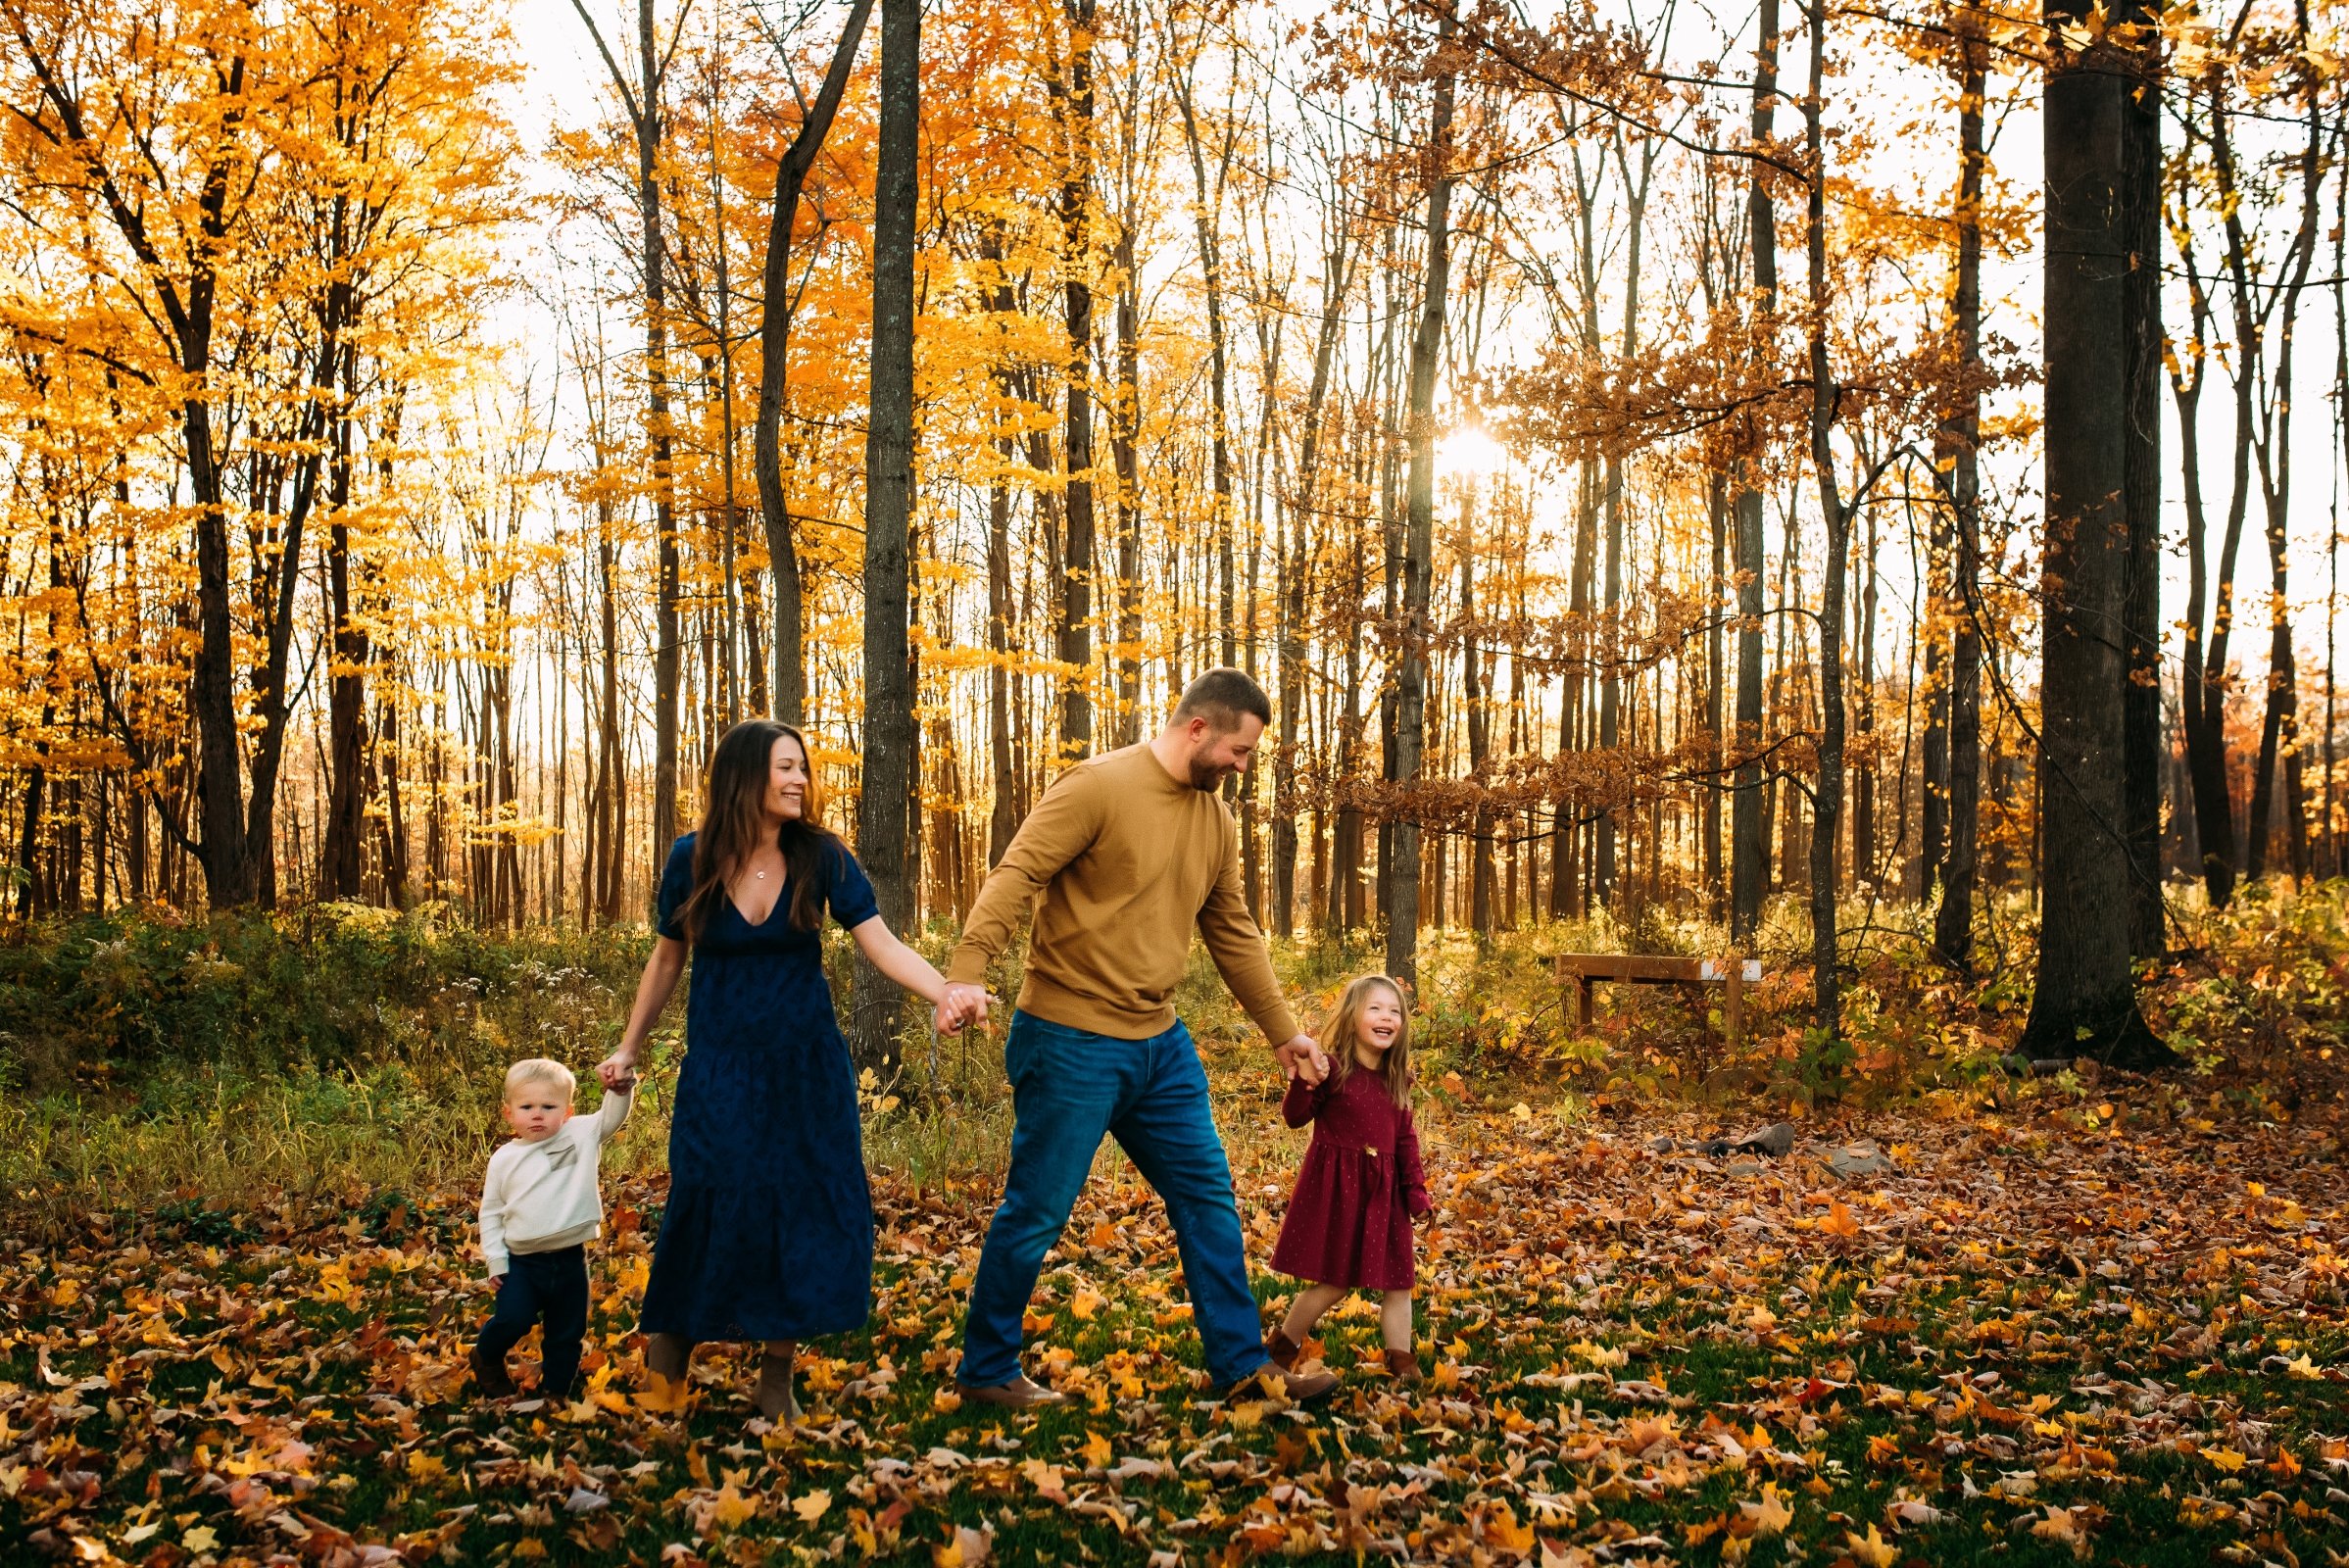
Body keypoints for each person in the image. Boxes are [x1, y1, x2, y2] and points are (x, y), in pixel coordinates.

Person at [938, 667, 1339, 1408]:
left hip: (1159, 1045)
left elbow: (1232, 931)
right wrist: (966, 972)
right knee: (1036, 1213)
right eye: (1240, 751)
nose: (1242, 768)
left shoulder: (1215, 822)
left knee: (1207, 1198)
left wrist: (1284, 1033)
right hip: (1068, 1038)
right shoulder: (1095, 786)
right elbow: (1017, 873)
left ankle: (1239, 1368)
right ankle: (986, 1370)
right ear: (1198, 729)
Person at [596, 719, 955, 1421]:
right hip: (721, 1070)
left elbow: (879, 944)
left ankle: (775, 1379)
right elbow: (668, 958)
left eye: (802, 768)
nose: (799, 780)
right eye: (784, 767)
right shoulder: (690, 857)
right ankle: (669, 1360)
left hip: (805, 1069)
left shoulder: (821, 855)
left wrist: (945, 990)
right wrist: (629, 1047)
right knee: (706, 1199)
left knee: (801, 1207)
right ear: (744, 774)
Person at [1261, 974, 1432, 1383]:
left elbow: (1406, 1142)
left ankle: (1401, 1360)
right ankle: (1282, 1345)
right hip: (1340, 1192)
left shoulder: (1397, 1080)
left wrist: (1417, 1193)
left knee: (1399, 1281)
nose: (1386, 1017)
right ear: (1353, 1016)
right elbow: (1294, 1117)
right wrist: (1304, 1079)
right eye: (1375, 1008)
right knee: (1334, 1283)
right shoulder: (1330, 1069)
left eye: (1395, 1012)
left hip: (1385, 1196)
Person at [472, 1056, 634, 1400]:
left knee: (567, 1331)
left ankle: (556, 1391)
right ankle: (486, 1356)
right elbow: (490, 1212)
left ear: (568, 1112)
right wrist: (496, 1260)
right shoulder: (504, 1158)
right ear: (509, 1113)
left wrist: (621, 1086)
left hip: (570, 1260)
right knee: (514, 1319)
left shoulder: (580, 1134)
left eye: (549, 1106)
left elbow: (612, 1116)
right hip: (521, 1262)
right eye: (527, 1106)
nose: (537, 1114)